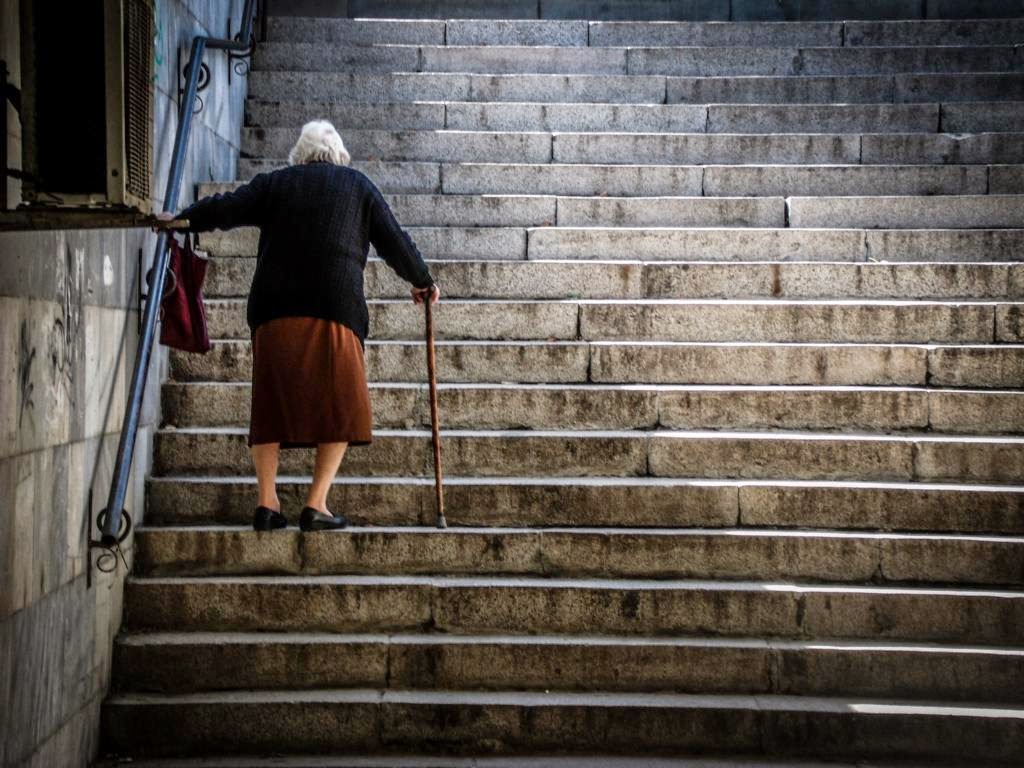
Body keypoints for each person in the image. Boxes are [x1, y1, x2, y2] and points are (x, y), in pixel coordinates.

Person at [154, 119, 439, 532]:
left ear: (299, 156)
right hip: (335, 311)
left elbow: (228, 207)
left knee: (270, 408)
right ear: (339, 155)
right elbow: (395, 240)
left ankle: (267, 504)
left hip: (275, 313)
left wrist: (182, 219)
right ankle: (316, 503)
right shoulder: (358, 186)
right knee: (340, 407)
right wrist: (423, 281)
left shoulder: (276, 184)